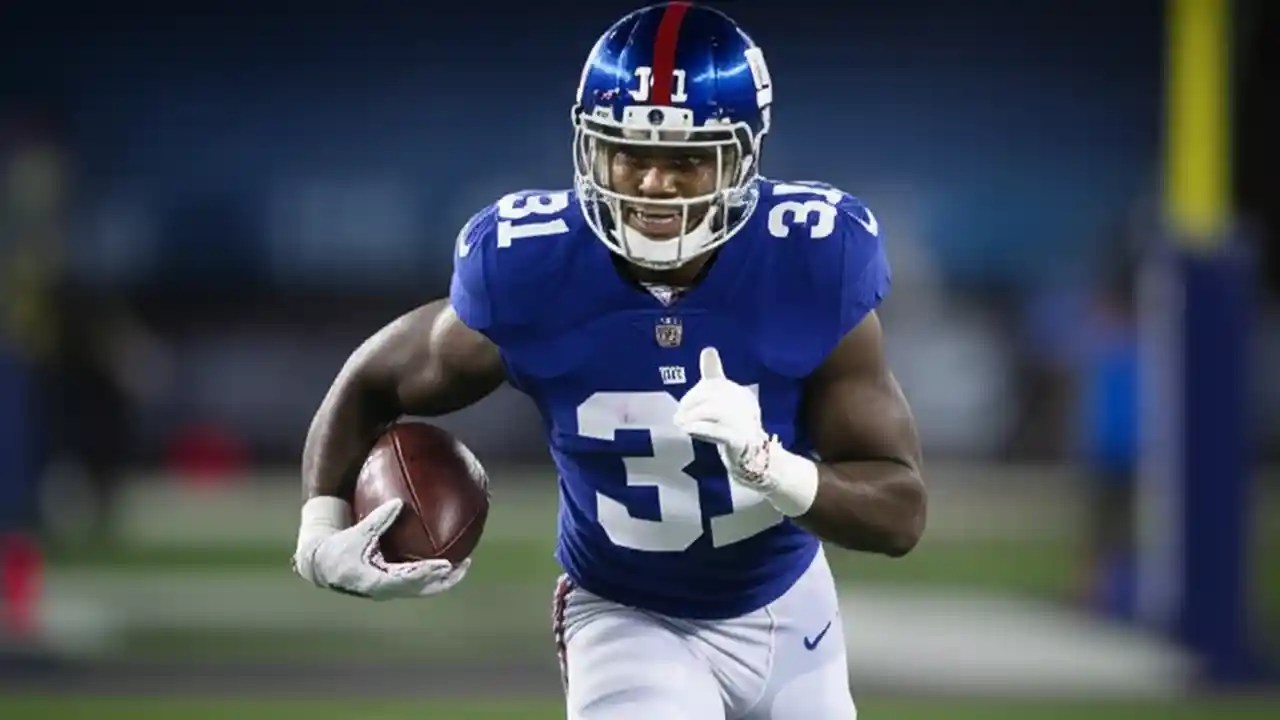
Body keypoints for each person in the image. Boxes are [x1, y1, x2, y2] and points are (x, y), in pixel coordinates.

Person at [292, 3, 926, 718]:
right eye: (631, 153)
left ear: (743, 158)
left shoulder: (810, 261)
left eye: (686, 159)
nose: (654, 183)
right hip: (624, 613)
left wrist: (772, 470)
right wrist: (319, 530)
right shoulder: (531, 268)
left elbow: (900, 511)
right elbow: (373, 379)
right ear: (591, 150)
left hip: (786, 603)